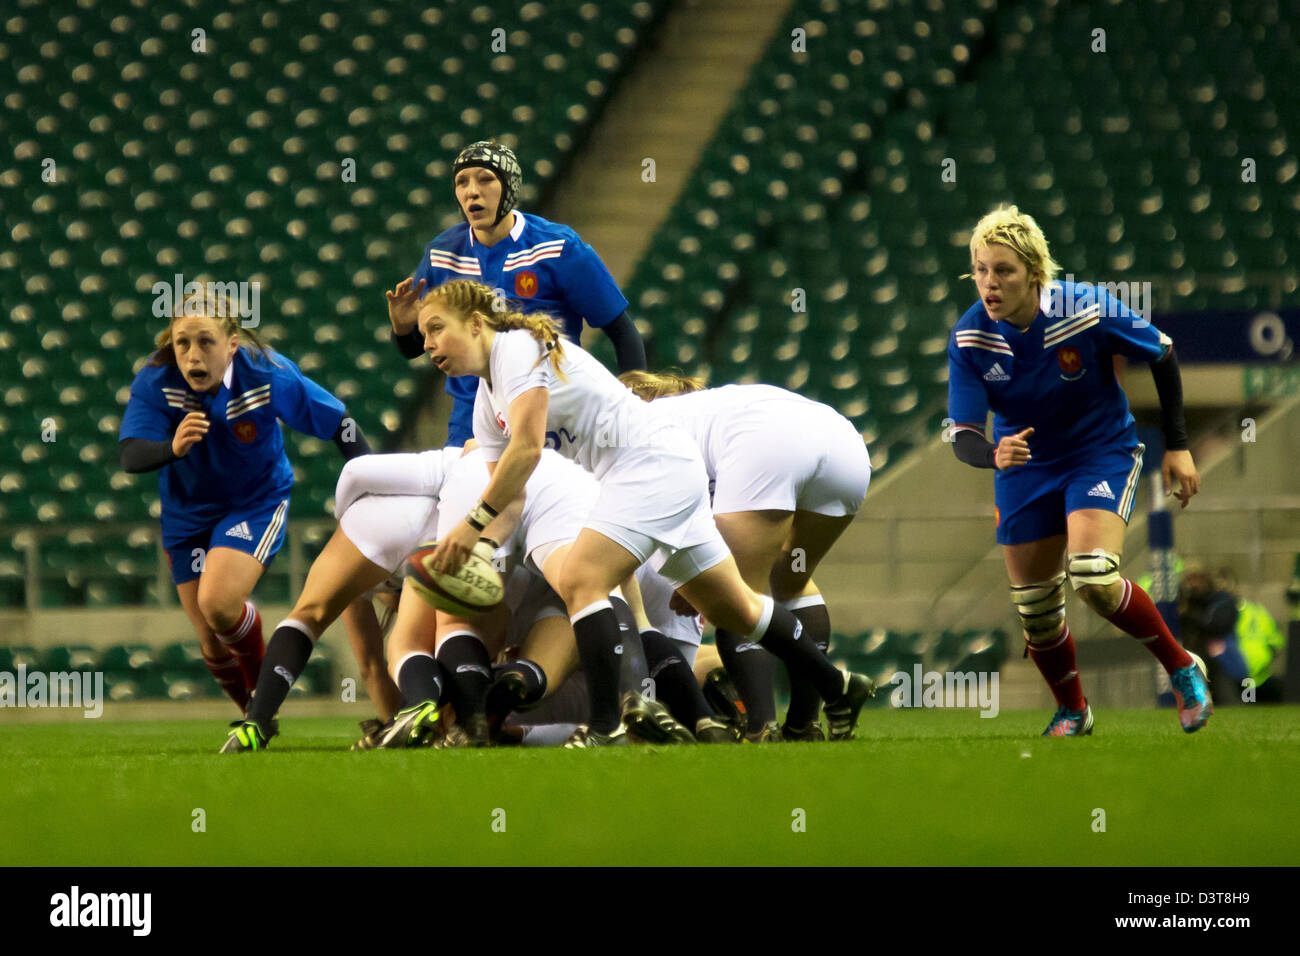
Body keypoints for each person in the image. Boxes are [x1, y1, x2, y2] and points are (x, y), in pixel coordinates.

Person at [418, 279, 875, 747]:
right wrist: (483, 544)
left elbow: (528, 450)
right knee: (734, 606)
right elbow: (510, 496)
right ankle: (839, 687)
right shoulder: (485, 400)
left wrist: (469, 524)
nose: (428, 343)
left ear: (476, 324)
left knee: (580, 579)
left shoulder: (515, 349)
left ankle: (605, 727)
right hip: (657, 468)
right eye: (423, 335)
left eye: (436, 327)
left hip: (648, 463)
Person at [946, 204, 1213, 736]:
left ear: (1034, 273)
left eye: (1004, 271)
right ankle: (1073, 709)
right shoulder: (971, 338)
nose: (989, 283)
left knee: (1091, 573)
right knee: (1036, 608)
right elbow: (965, 435)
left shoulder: (1084, 307)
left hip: (1098, 451)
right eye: (980, 269)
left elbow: (1161, 351)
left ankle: (1182, 666)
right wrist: (994, 453)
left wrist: (1178, 446)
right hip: (1025, 466)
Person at [118, 290, 370, 724]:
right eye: (182, 343)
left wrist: (373, 486)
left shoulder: (270, 374)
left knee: (218, 604)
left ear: (232, 343)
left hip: (254, 502)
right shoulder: (156, 379)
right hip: (186, 513)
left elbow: (341, 424)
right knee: (212, 641)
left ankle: (261, 711)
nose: (193, 356)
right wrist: (172, 447)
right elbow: (131, 455)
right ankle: (256, 718)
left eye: (205, 342)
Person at [621, 372, 872, 741]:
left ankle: (761, 728)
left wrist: (702, 581)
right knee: (792, 578)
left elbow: (661, 507)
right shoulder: (704, 411)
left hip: (768, 441)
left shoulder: (637, 425)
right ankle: (804, 724)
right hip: (843, 444)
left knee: (738, 597)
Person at [386, 140, 646, 447]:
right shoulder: (442, 253)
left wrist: (635, 410)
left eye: (485, 179)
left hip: (553, 416)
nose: (472, 191)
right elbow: (416, 347)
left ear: (509, 187)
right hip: (470, 425)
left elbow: (622, 332)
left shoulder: (557, 247)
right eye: (462, 182)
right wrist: (403, 328)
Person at [218, 446, 462, 752]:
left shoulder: (361, 582)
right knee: (417, 644)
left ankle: (257, 720)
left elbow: (371, 667)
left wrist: (344, 519)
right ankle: (428, 707)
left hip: (379, 519)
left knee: (309, 614)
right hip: (444, 525)